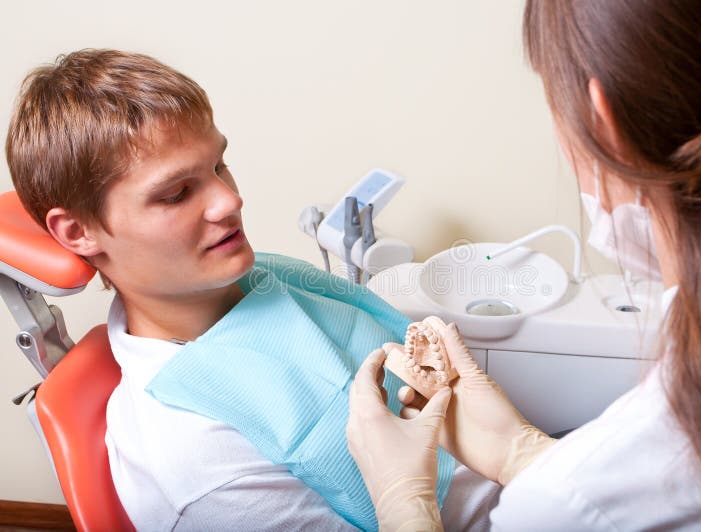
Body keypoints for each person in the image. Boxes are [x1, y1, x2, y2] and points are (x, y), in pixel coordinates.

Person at [347, 1, 701, 530]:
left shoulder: (568, 504)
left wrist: (404, 502)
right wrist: (519, 452)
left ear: (601, 121)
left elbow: (604, 502)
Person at [5, 49, 499, 531]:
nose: (229, 200)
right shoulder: (200, 465)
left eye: (219, 166)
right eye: (176, 193)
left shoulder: (262, 276)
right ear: (77, 233)